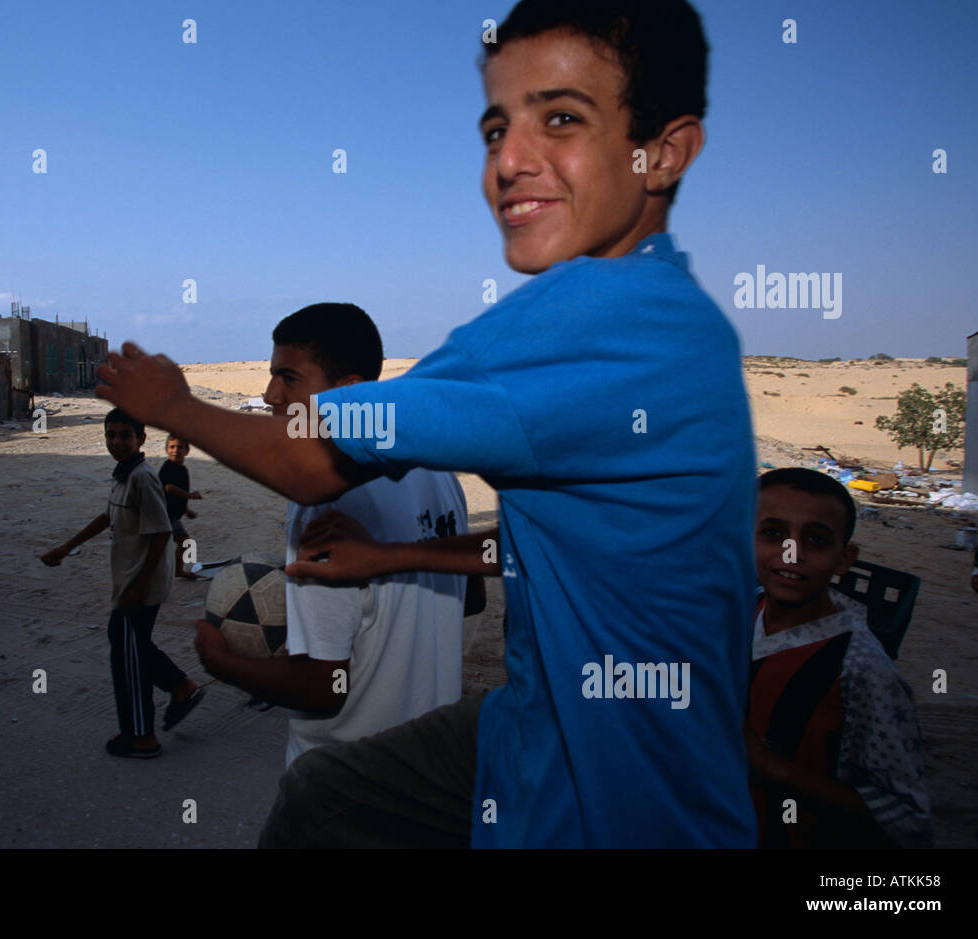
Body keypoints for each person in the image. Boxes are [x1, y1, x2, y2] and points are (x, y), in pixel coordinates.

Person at [96, 0, 756, 847]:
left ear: (663, 150)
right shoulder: (683, 317)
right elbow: (541, 548)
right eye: (495, 129)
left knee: (317, 800)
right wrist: (396, 557)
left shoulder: (587, 316)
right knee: (325, 798)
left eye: (561, 118)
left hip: (602, 797)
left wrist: (175, 406)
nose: (511, 162)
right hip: (557, 724)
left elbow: (311, 462)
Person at [193, 303, 471, 768]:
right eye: (270, 376)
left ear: (351, 393)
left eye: (289, 379)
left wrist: (223, 663)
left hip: (347, 779)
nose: (268, 395)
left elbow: (324, 689)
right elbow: (473, 599)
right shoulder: (437, 472)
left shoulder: (322, 502)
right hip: (431, 759)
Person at [746, 468, 934, 847]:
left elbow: (909, 820)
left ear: (844, 558)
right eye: (772, 533)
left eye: (815, 539)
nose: (791, 553)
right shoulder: (737, 615)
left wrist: (773, 769)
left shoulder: (861, 668)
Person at [40, 409, 203, 758]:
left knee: (127, 655)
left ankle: (142, 736)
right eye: (110, 434)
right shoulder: (124, 475)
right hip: (131, 578)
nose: (116, 441)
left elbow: (161, 534)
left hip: (140, 583)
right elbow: (107, 516)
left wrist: (139, 588)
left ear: (141, 439)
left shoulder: (143, 477)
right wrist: (66, 548)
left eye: (124, 435)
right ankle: (180, 686)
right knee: (130, 643)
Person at [159, 435, 202, 580]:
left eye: (180, 447)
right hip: (164, 515)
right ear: (166, 449)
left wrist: (186, 509)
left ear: (187, 451)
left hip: (170, 514)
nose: (175, 450)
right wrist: (191, 495)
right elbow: (169, 489)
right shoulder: (169, 468)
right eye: (172, 447)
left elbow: (176, 496)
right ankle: (177, 570)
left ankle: (177, 570)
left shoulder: (182, 469)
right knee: (184, 542)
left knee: (181, 543)